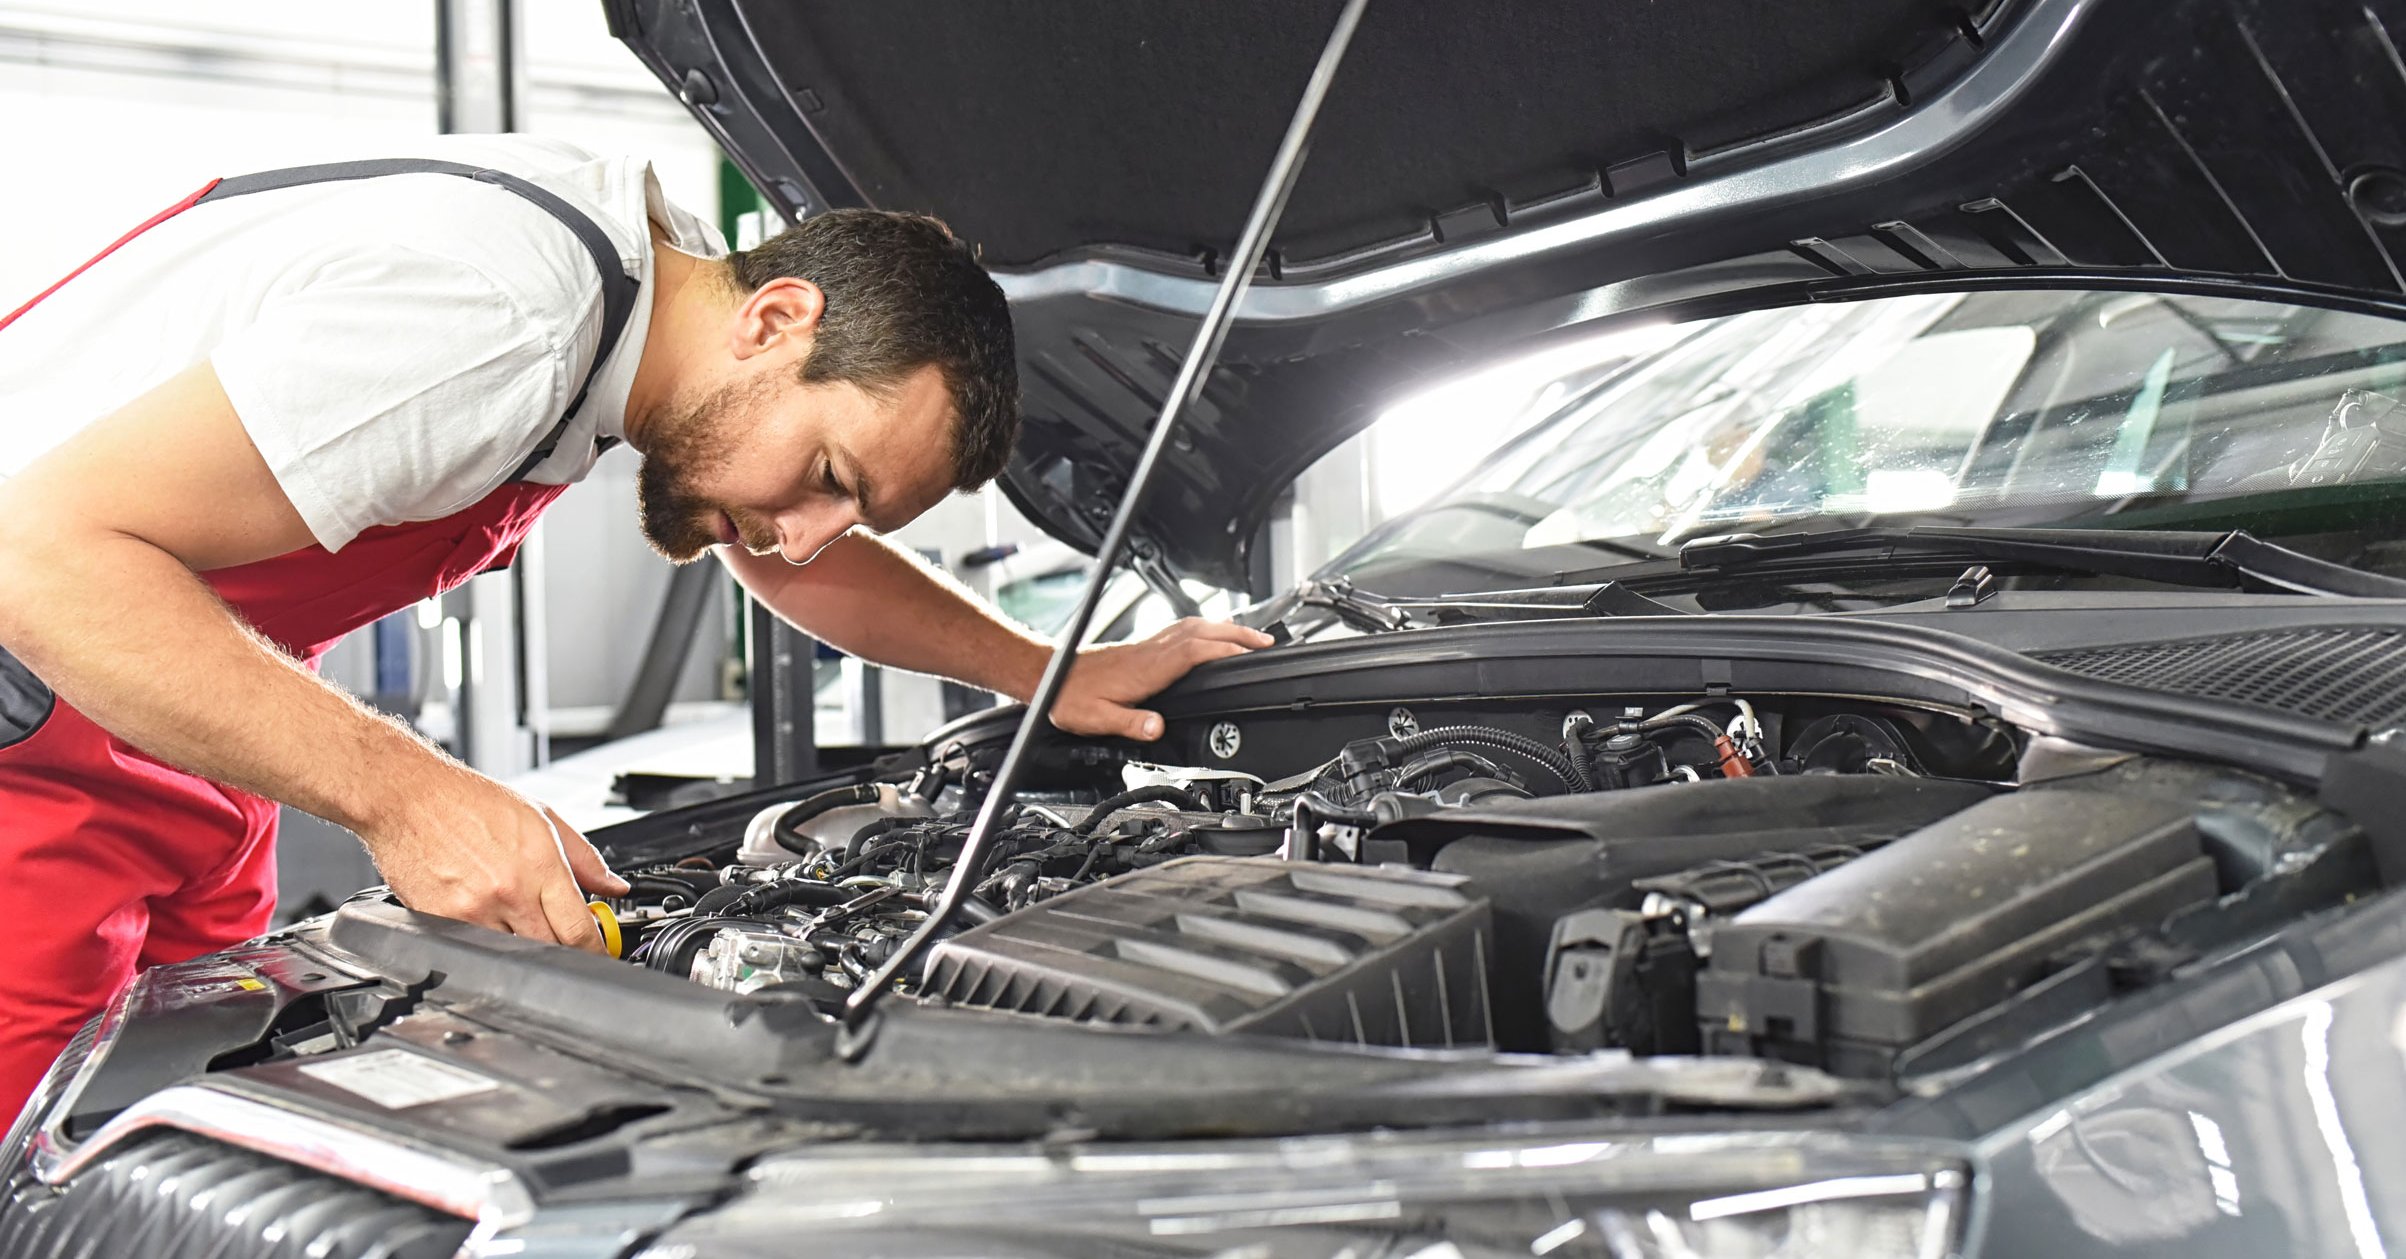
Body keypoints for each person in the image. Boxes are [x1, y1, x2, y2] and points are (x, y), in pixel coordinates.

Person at [0, 135, 1269, 1115]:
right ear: (776, 318)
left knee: (183, 1122)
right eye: (830, 476)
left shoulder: (660, 301)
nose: (811, 535)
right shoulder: (502, 313)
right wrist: (413, 797)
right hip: (45, 701)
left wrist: (1043, 670)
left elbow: (785, 556)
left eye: (852, 510)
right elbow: (38, 555)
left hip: (179, 717)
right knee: (43, 1153)